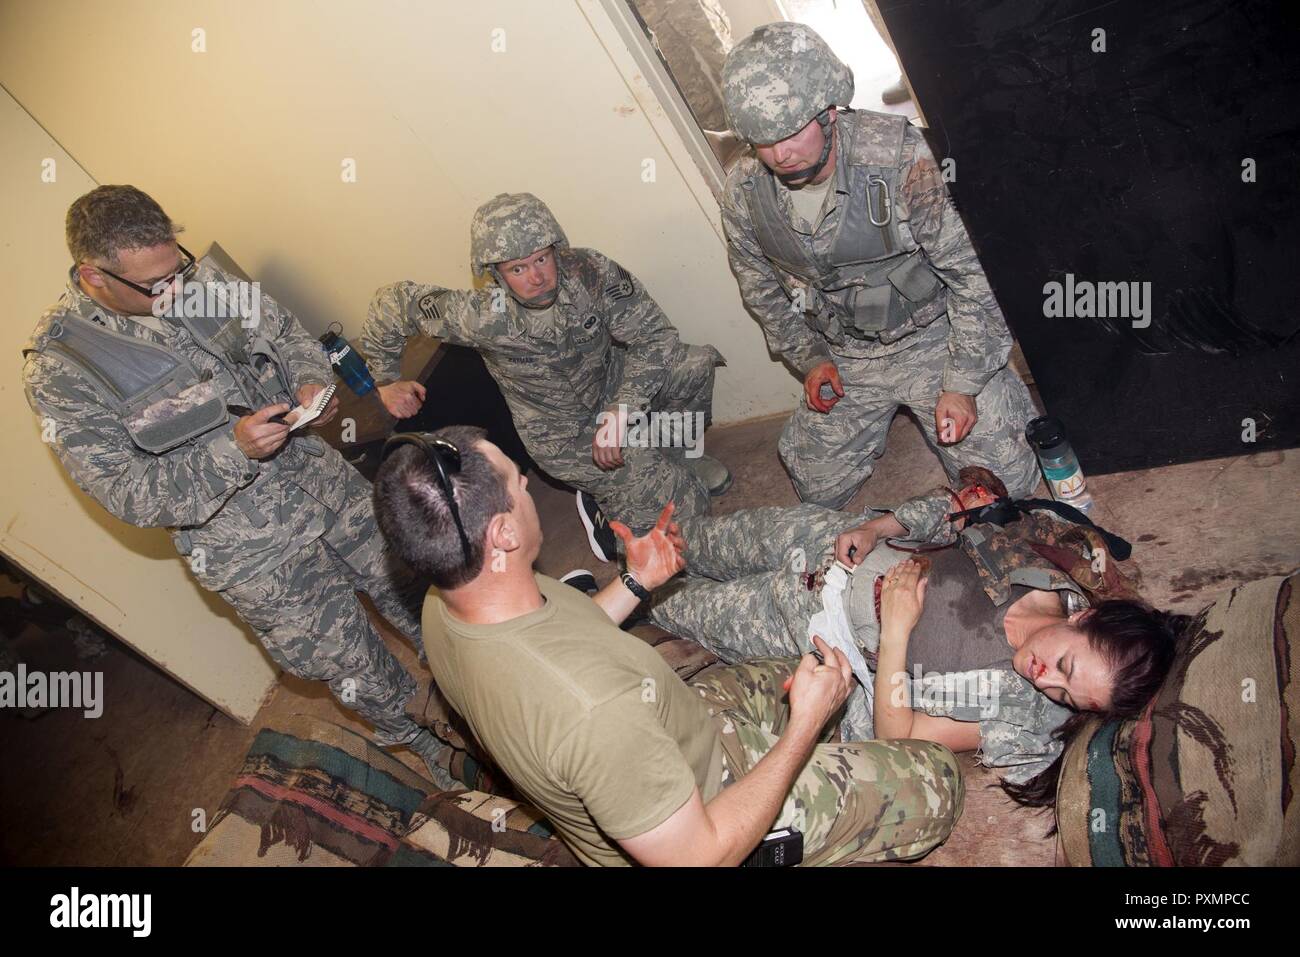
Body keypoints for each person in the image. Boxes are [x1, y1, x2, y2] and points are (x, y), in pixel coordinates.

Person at [371, 425, 964, 866]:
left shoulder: (451, 599)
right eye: (515, 480)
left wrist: (635, 584)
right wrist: (802, 728)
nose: (527, 482)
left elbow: (569, 634)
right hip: (702, 817)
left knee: (796, 666)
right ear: (502, 533)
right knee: (938, 780)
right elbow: (698, 856)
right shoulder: (591, 714)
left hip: (673, 728)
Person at [22, 185, 455, 786]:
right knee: (353, 664)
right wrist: (233, 451)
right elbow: (125, 493)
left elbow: (291, 338)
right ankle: (429, 748)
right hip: (254, 554)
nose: (176, 290)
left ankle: (473, 704)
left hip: (326, 487)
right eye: (154, 285)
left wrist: (311, 386)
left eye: (177, 268)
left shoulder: (204, 280)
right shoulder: (62, 372)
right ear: (93, 277)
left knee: (422, 599)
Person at [642, 467, 1181, 786]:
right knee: (694, 539)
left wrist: (897, 631)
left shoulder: (1021, 712)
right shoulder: (1042, 564)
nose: (1046, 681)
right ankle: (628, 531)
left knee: (668, 600)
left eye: (1069, 698)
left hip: (812, 622)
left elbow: (897, 734)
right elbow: (959, 515)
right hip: (835, 542)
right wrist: (878, 525)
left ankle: (608, 593)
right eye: (1065, 666)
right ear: (1082, 615)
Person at [719, 22, 1040, 509]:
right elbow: (761, 292)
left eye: (790, 132)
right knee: (814, 484)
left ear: (829, 111)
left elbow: (975, 279)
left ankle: (994, 397)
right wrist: (810, 359)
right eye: (762, 140)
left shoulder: (901, 159)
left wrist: (963, 383)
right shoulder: (745, 192)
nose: (780, 153)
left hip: (936, 338)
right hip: (849, 354)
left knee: (1005, 487)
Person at [361, 192, 729, 564]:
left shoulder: (590, 272)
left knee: (691, 364)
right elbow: (390, 304)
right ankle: (606, 497)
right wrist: (386, 379)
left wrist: (620, 410)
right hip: (562, 436)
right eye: (517, 269)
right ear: (496, 274)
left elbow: (655, 337)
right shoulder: (481, 315)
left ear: (557, 249)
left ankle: (677, 453)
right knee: (680, 510)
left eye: (542, 259)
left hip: (610, 388)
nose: (537, 277)